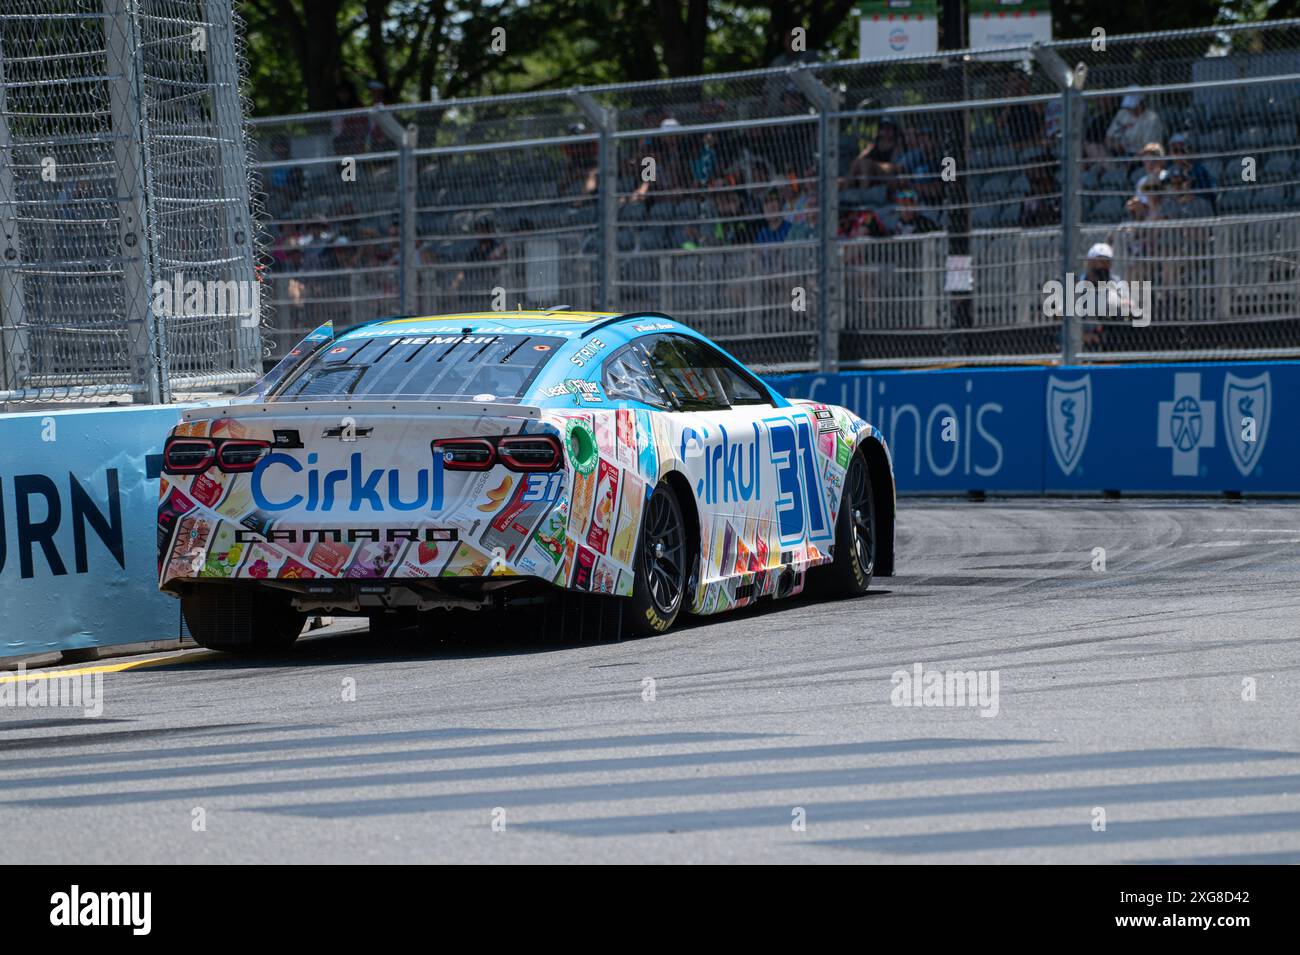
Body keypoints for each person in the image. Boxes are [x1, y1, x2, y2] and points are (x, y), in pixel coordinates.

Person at [847, 118, 904, 190]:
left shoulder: (897, 145)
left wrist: (873, 164)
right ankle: (846, 187)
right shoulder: (874, 144)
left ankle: (863, 191)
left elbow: (894, 164)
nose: (886, 131)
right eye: (883, 128)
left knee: (866, 163)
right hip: (871, 169)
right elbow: (860, 158)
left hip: (887, 170)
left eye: (889, 128)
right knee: (857, 162)